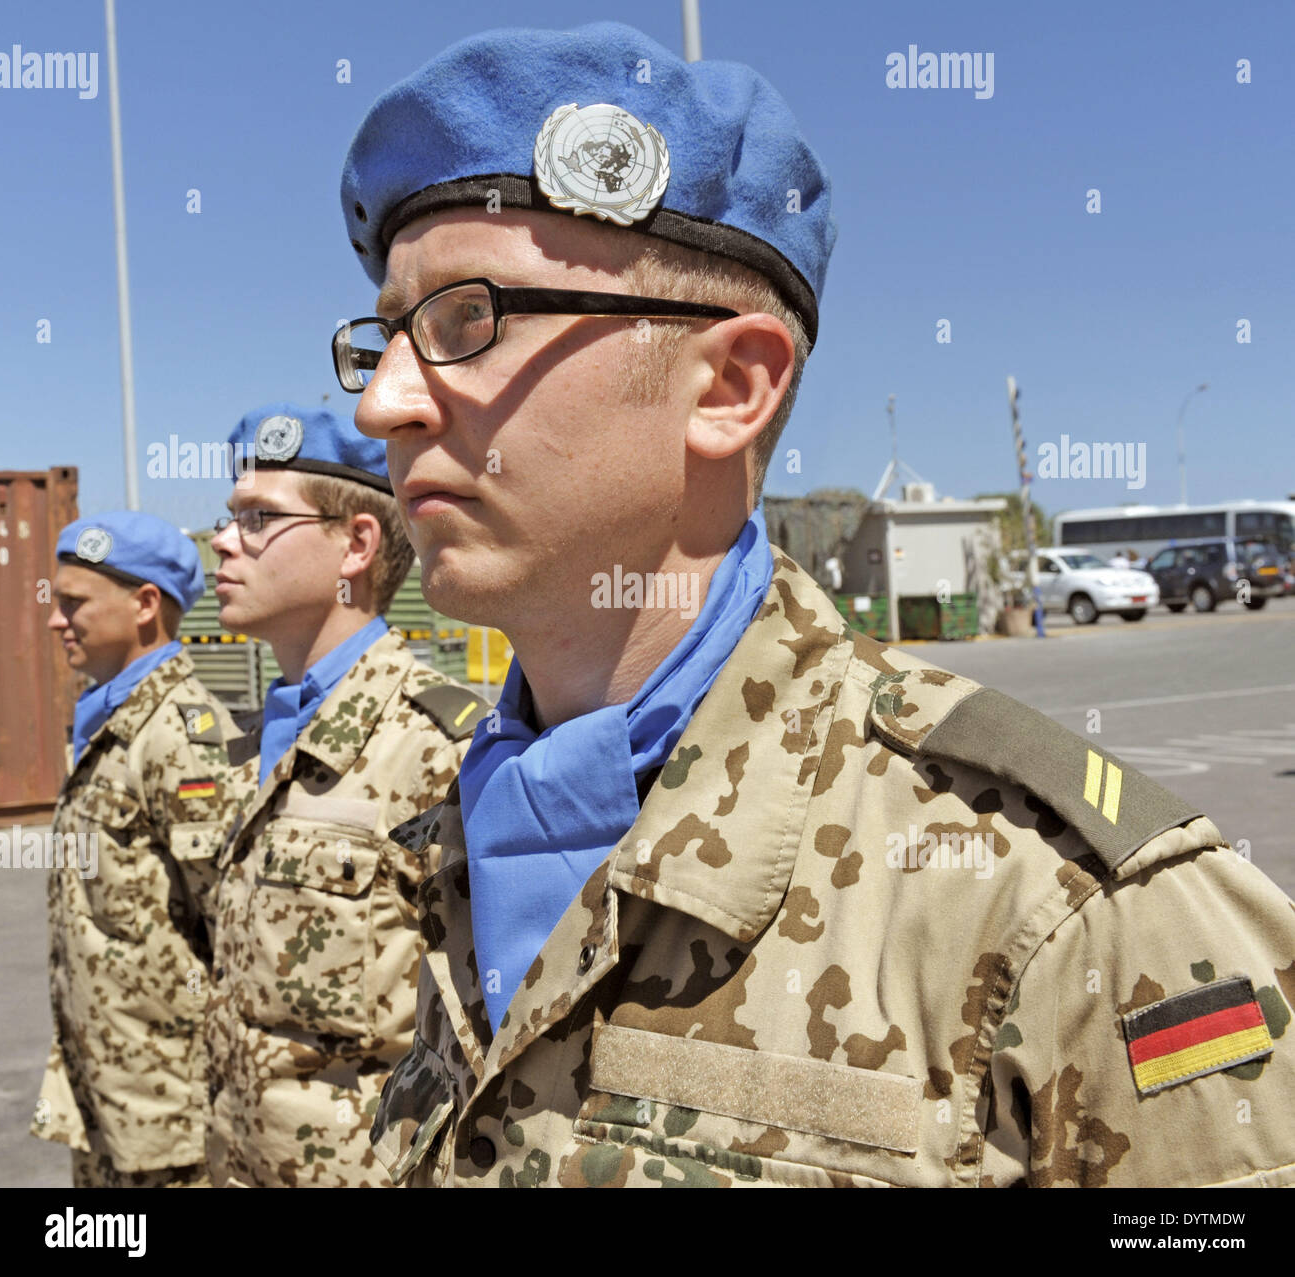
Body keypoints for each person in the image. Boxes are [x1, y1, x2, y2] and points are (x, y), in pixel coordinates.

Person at [338, 23, 1295, 1187]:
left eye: (465, 321)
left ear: (731, 387)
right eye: (383, 336)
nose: (384, 402)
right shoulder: (438, 828)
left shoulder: (1060, 906)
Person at [203, 404, 486, 1187]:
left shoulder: (442, 746)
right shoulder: (243, 745)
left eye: (259, 518)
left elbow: (493, 1037)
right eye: (229, 518)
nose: (224, 541)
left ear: (356, 545)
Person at [31, 512, 246, 1187]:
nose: (54, 619)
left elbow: (235, 929)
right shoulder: (113, 723)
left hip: (170, 1114)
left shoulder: (182, 735)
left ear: (145, 604)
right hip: (103, 1096)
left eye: (73, 603)